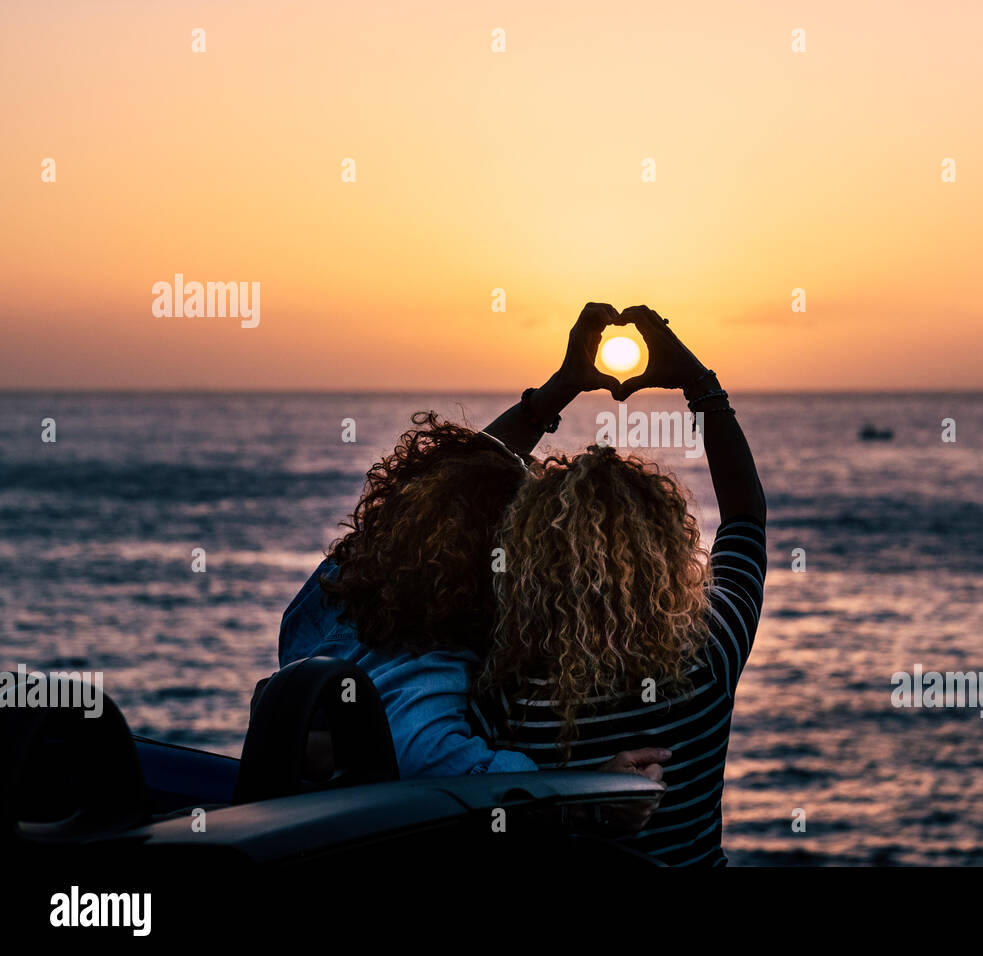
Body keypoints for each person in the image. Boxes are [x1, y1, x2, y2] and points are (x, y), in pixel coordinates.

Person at [277, 304, 669, 788]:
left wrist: (559, 389)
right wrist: (585, 790)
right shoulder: (429, 654)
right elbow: (432, 758)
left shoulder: (342, 583)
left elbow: (458, 483)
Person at [478, 306, 767, 866]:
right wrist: (699, 386)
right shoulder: (712, 649)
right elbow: (745, 516)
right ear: (664, 546)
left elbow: (456, 485)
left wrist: (556, 391)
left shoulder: (506, 687)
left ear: (532, 557)